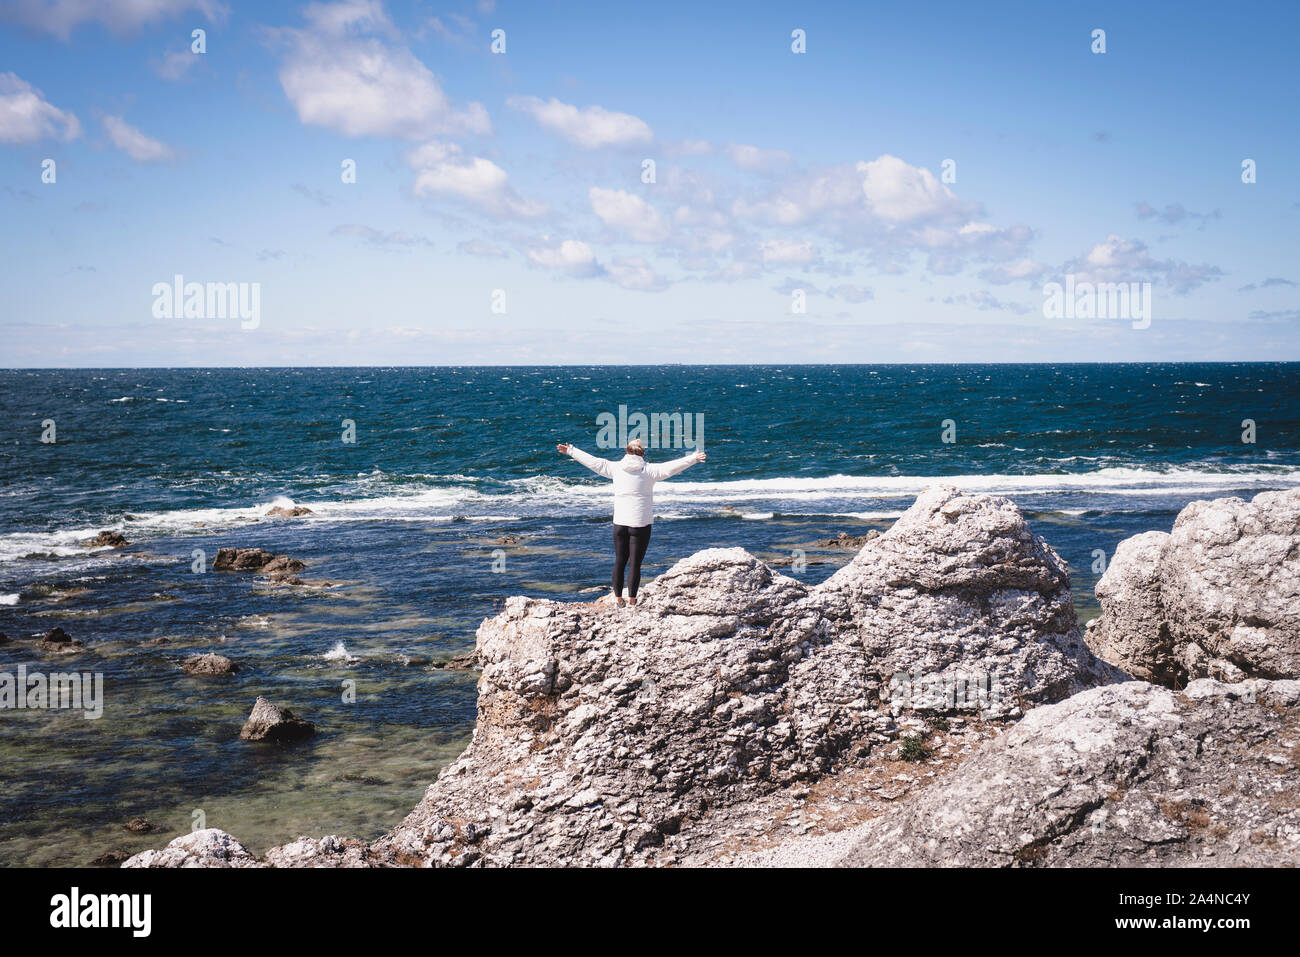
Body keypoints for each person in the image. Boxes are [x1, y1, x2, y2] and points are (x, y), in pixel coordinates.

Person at [557, 437, 706, 606]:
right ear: (642, 453)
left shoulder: (615, 468)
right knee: (635, 563)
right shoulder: (650, 470)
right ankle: (632, 601)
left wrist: (571, 451)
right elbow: (671, 467)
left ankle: (618, 599)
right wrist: (693, 458)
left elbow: (593, 462)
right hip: (640, 523)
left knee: (620, 560)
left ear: (627, 451)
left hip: (620, 523)